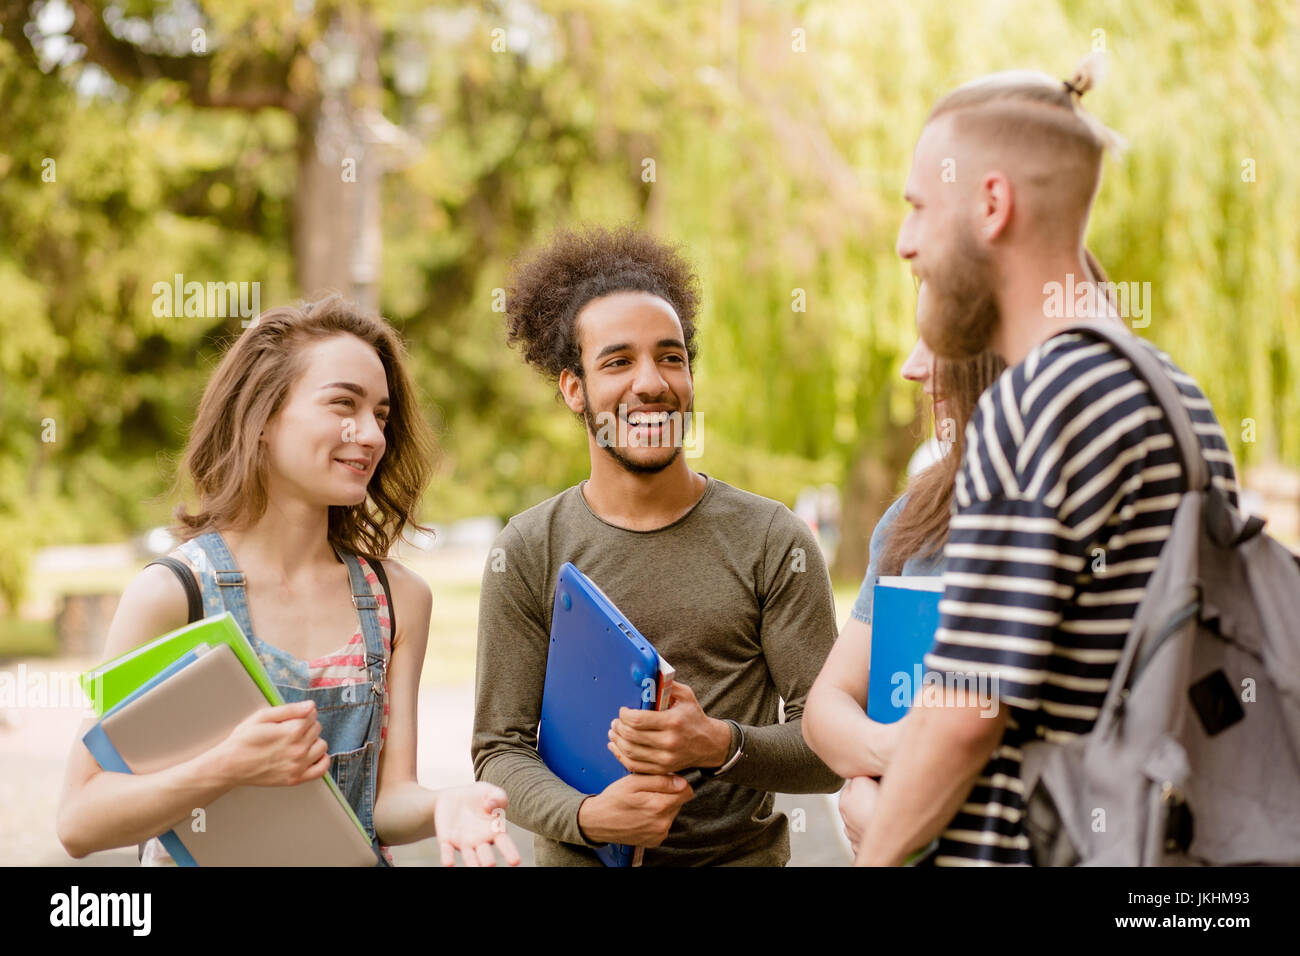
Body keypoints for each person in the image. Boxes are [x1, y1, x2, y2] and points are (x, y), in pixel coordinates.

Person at [846, 56, 1240, 866]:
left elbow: (966, 712)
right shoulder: (1173, 391)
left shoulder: (1036, 401)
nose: (904, 240)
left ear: (992, 204)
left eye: (919, 206)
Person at [56, 296, 520, 868]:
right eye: (343, 404)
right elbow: (79, 820)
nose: (372, 434)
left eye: (381, 413)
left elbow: (385, 802)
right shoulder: (174, 594)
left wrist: (442, 804)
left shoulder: (398, 600)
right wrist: (227, 766)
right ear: (263, 419)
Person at [472, 224, 842, 866]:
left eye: (670, 357)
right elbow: (498, 752)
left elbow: (831, 750)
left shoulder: (773, 540)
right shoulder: (528, 549)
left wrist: (718, 744)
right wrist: (589, 818)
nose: (651, 382)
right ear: (573, 388)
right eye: (618, 361)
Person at [802, 283, 1004, 854]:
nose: (913, 368)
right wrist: (895, 761)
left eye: (935, 341)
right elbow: (824, 709)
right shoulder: (910, 520)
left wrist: (895, 820)